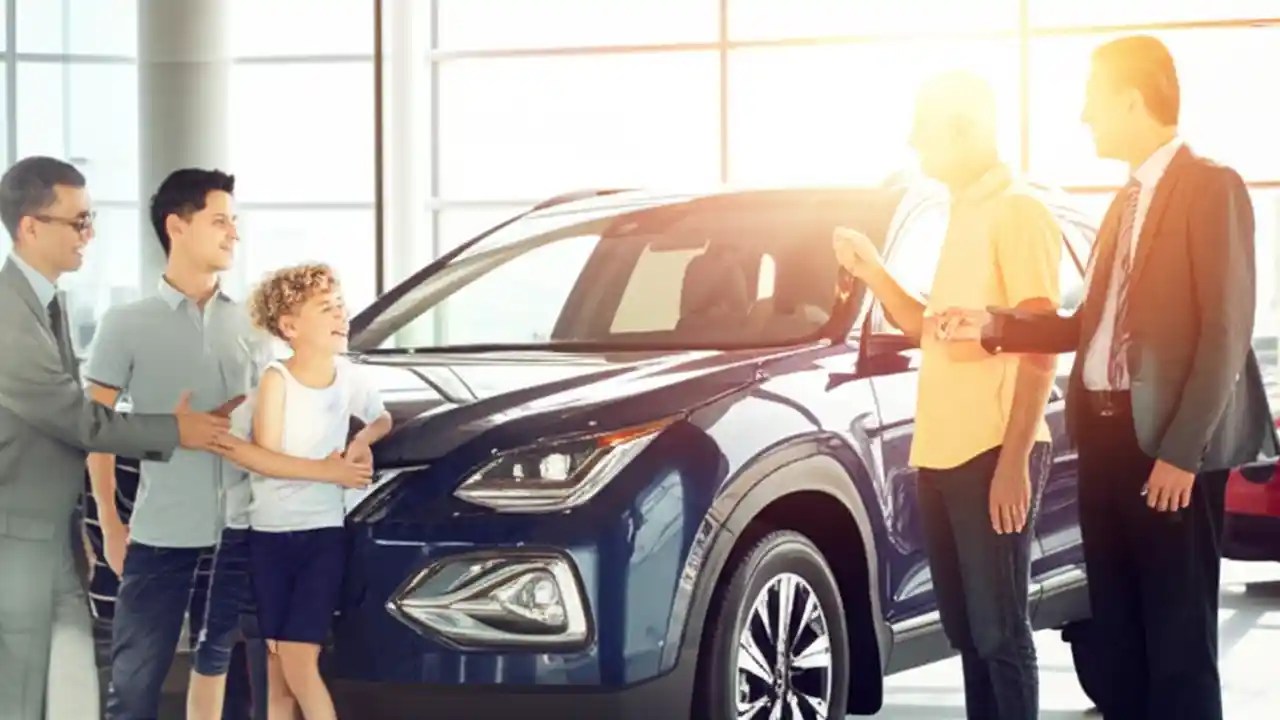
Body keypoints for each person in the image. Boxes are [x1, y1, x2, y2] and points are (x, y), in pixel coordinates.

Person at [940, 36, 1278, 720]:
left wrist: (1182, 455)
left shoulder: (1212, 186)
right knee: (1118, 641)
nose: (1084, 116)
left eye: (1093, 100)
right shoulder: (1122, 204)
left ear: (1132, 97)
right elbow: (1083, 325)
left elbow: (1224, 331)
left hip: (1167, 447)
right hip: (1101, 443)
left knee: (1177, 645)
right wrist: (991, 325)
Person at [86, 169, 374, 720]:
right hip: (159, 534)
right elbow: (93, 429)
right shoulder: (125, 324)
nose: (233, 234)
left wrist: (359, 439)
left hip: (245, 534)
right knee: (135, 684)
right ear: (177, 226)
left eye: (235, 223)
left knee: (239, 686)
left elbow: (308, 398)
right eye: (220, 221)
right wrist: (110, 525)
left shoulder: (255, 327)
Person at [832, 71, 1061, 720]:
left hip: (993, 451)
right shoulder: (965, 212)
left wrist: (1015, 462)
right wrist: (872, 268)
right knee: (967, 632)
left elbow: (1039, 344)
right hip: (940, 455)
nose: (913, 142)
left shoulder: (1018, 211)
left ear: (965, 129)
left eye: (924, 130)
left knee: (999, 632)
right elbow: (927, 329)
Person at [0, 155, 235, 720]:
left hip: (59, 536)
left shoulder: (47, 303)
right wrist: (176, 433)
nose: (90, 233)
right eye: (78, 221)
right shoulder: (15, 314)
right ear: (31, 227)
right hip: (31, 538)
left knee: (70, 693)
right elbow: (79, 420)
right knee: (36, 693)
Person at [245, 263, 392, 720]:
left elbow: (382, 418)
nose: (340, 315)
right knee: (276, 667)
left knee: (298, 658)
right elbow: (267, 458)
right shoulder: (276, 380)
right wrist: (330, 473)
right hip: (269, 537)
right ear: (290, 327)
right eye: (325, 308)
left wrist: (361, 441)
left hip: (324, 535)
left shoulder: (350, 376)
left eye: (340, 305)